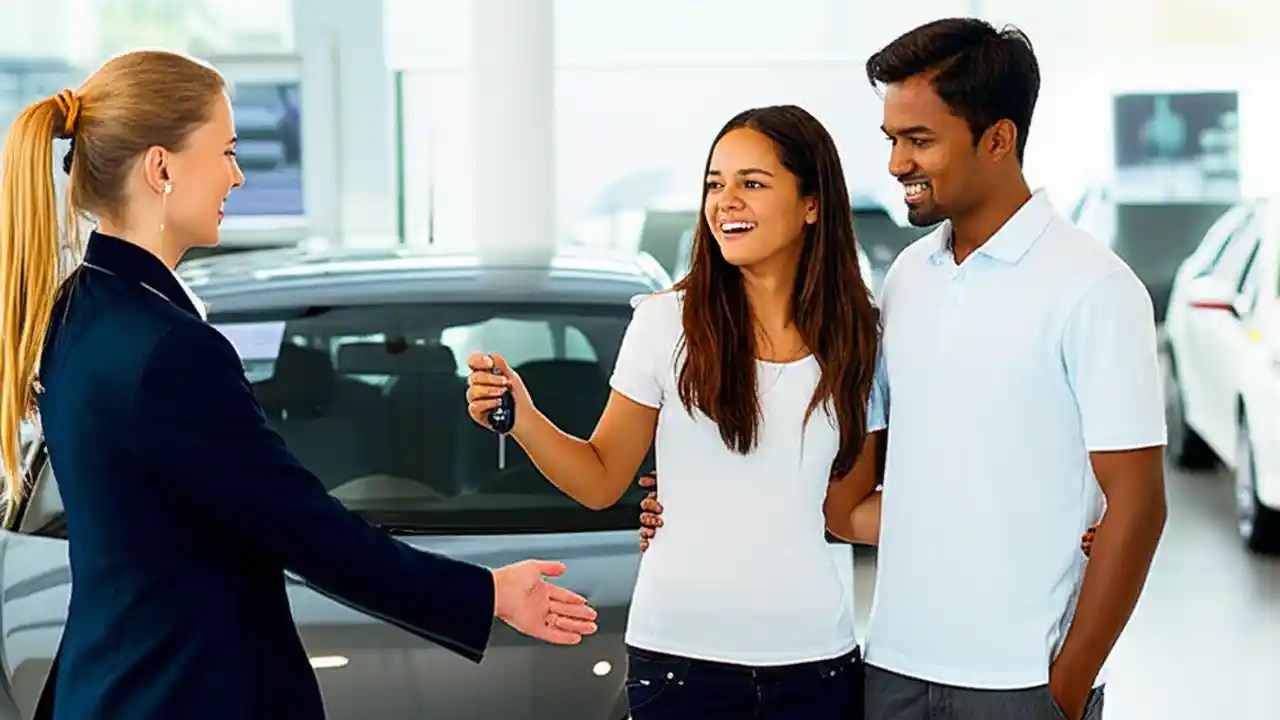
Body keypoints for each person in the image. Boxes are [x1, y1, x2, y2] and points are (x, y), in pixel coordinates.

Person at [0, 50, 597, 720]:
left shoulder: (78, 313)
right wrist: (488, 594)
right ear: (161, 168)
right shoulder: (170, 350)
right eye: (225, 151)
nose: (238, 174)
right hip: (188, 695)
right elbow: (303, 527)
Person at [638, 18, 1168, 720]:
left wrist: (1066, 687)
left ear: (998, 139)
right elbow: (849, 503)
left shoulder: (1095, 288)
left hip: (1023, 682)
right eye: (891, 140)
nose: (895, 164)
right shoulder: (905, 283)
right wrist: (710, 511)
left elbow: (1139, 503)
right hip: (890, 670)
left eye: (919, 141)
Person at [466, 105, 886, 719]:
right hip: (680, 667)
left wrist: (989, 520)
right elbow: (601, 476)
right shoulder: (666, 323)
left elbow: (845, 512)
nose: (726, 202)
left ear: (812, 203)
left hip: (818, 665)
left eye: (752, 183)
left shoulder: (861, 337)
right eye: (715, 183)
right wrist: (524, 417)